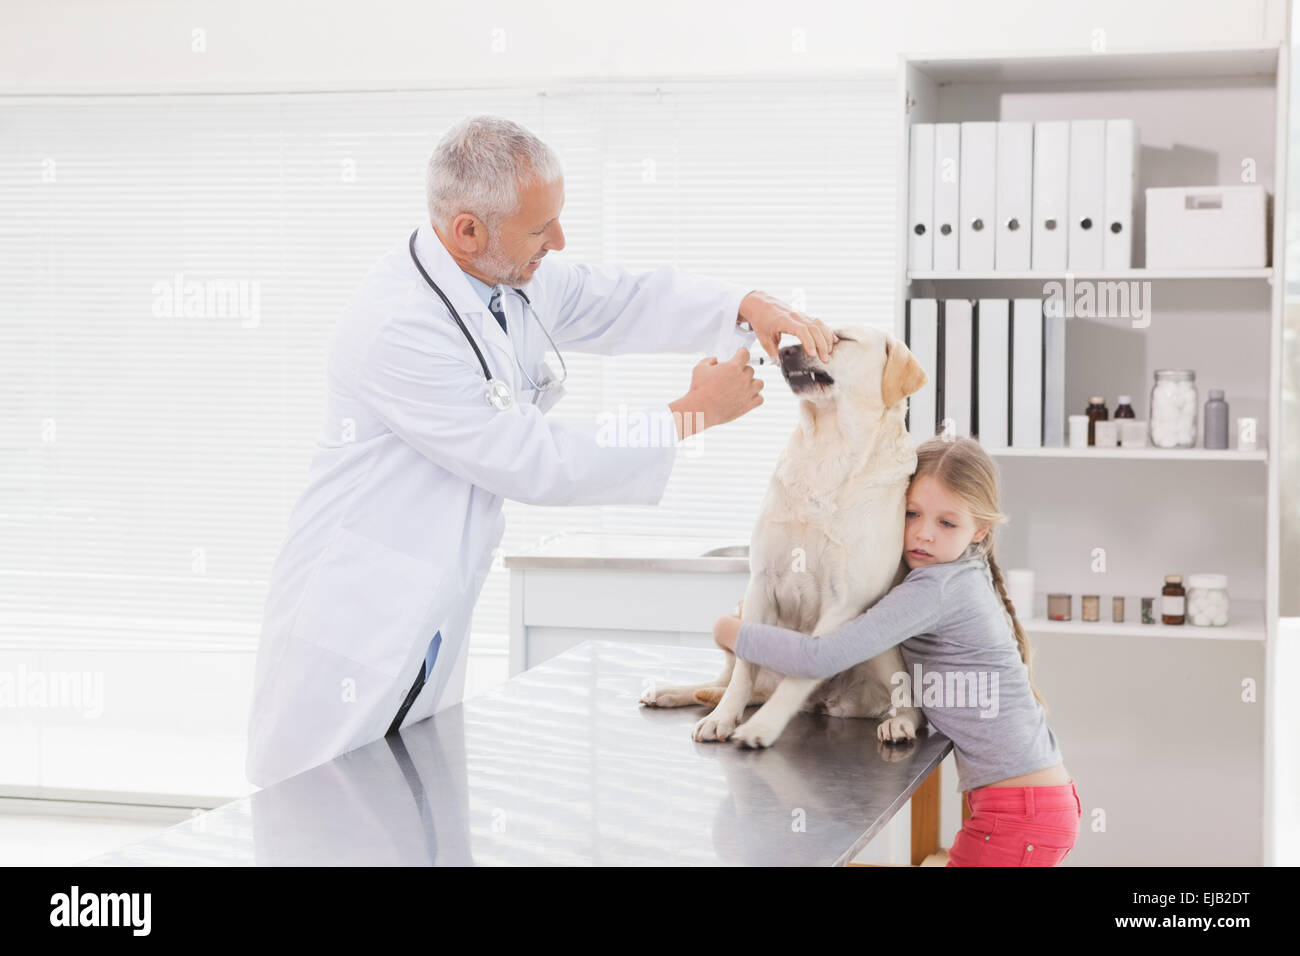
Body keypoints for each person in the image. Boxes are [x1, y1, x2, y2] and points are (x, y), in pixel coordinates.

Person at [244, 114, 835, 789]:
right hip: (355, 622)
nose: (558, 241)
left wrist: (746, 304)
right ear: (468, 230)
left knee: (412, 817)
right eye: (540, 229)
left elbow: (623, 301)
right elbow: (532, 459)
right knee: (323, 821)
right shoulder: (397, 327)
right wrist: (688, 415)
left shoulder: (506, 276)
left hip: (429, 611)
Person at [711, 435, 1080, 866]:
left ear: (979, 530)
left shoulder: (935, 589)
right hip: (1035, 806)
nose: (923, 532)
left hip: (1020, 818)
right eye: (911, 514)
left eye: (947, 523)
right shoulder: (963, 572)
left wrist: (735, 632)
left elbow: (822, 657)